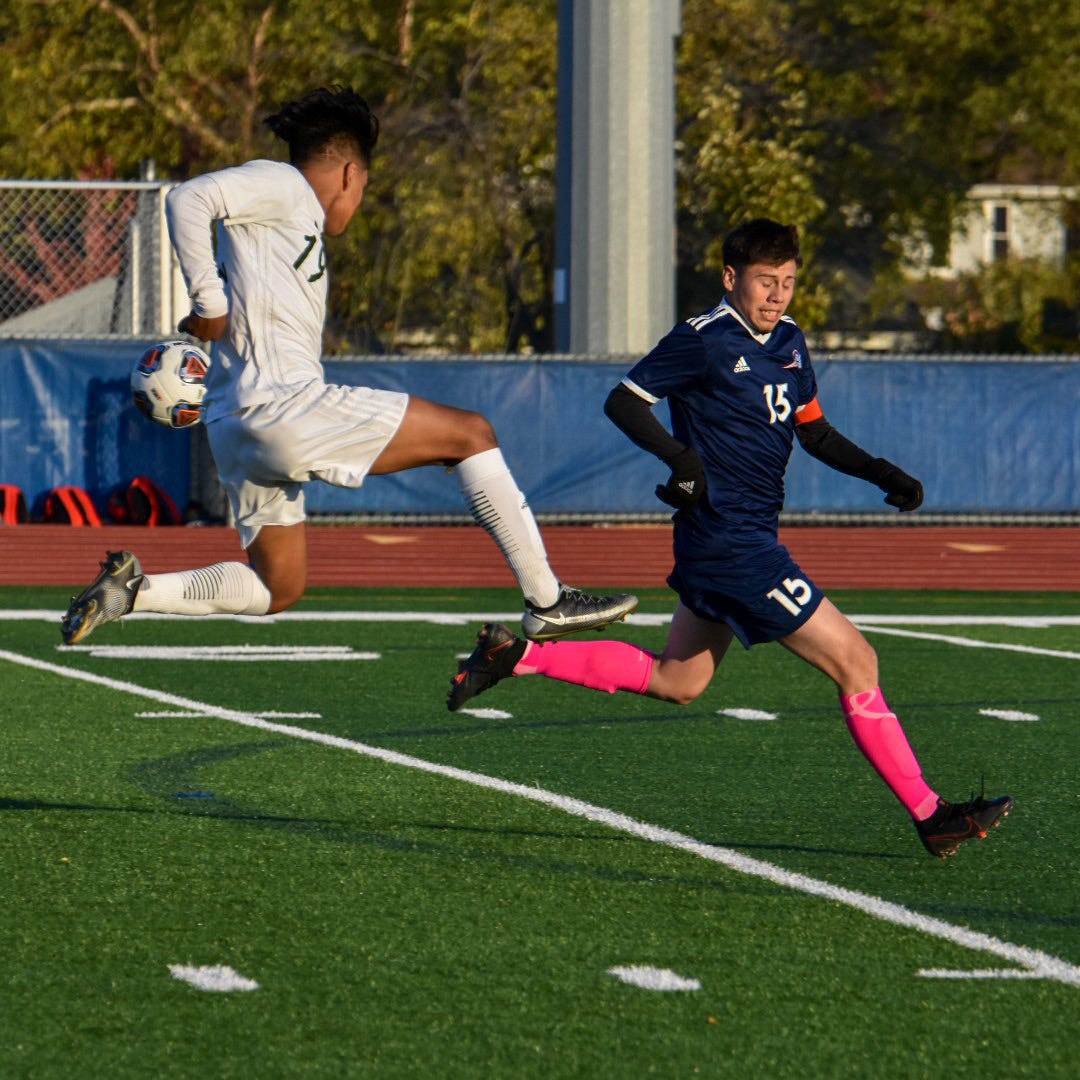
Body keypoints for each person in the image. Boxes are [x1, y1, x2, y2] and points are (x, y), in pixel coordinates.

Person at [448, 217, 1012, 860]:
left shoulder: (793, 343)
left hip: (728, 540)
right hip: (732, 543)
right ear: (730, 278)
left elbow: (816, 432)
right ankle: (930, 813)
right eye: (766, 281)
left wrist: (882, 472)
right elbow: (625, 402)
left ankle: (515, 656)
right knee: (858, 662)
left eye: (789, 282)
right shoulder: (704, 340)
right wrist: (682, 462)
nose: (778, 295)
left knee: (677, 680)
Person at [61, 86, 636, 647]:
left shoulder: (288, 221)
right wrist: (208, 301)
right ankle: (546, 601)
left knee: (278, 584)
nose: (357, 200)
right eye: (362, 185)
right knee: (472, 434)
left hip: (234, 430)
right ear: (348, 173)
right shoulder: (284, 185)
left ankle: (135, 591)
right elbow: (185, 197)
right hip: (284, 409)